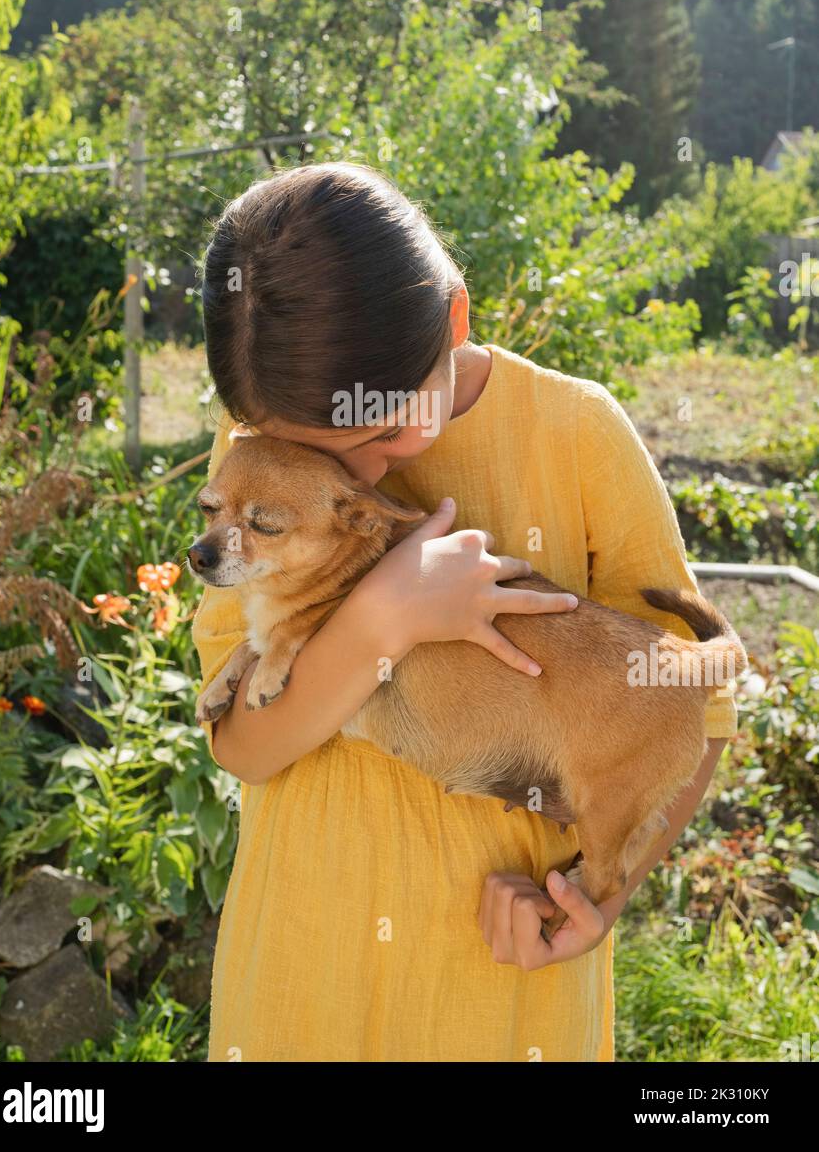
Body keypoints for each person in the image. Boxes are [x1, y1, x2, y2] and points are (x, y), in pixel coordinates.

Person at [192, 161, 738, 1062]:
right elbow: (245, 744)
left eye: (381, 431)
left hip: (496, 994)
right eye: (314, 455)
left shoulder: (578, 436)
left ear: (454, 319)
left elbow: (698, 707)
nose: (361, 475)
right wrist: (384, 619)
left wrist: (597, 900)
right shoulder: (259, 453)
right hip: (301, 977)